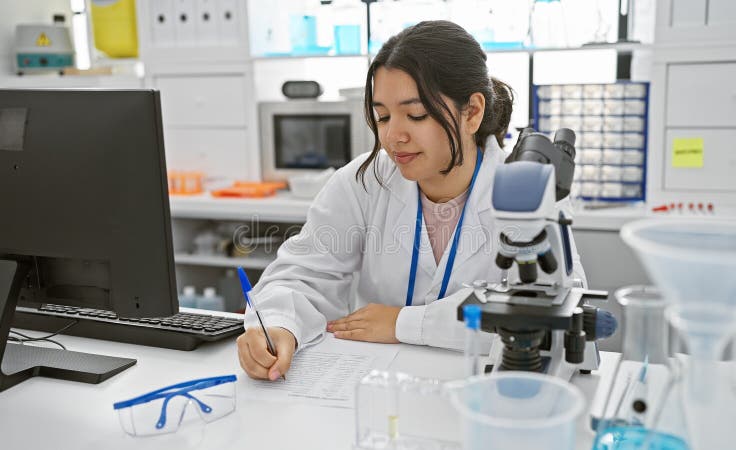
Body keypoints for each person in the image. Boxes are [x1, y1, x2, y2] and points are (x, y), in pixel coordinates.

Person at [236, 20, 586, 381]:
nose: (392, 136)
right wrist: (278, 325)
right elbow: (302, 275)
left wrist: (404, 323)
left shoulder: (525, 192)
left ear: (472, 112)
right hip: (377, 386)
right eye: (383, 116)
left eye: (416, 115)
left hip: (479, 388)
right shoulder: (363, 181)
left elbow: (554, 309)